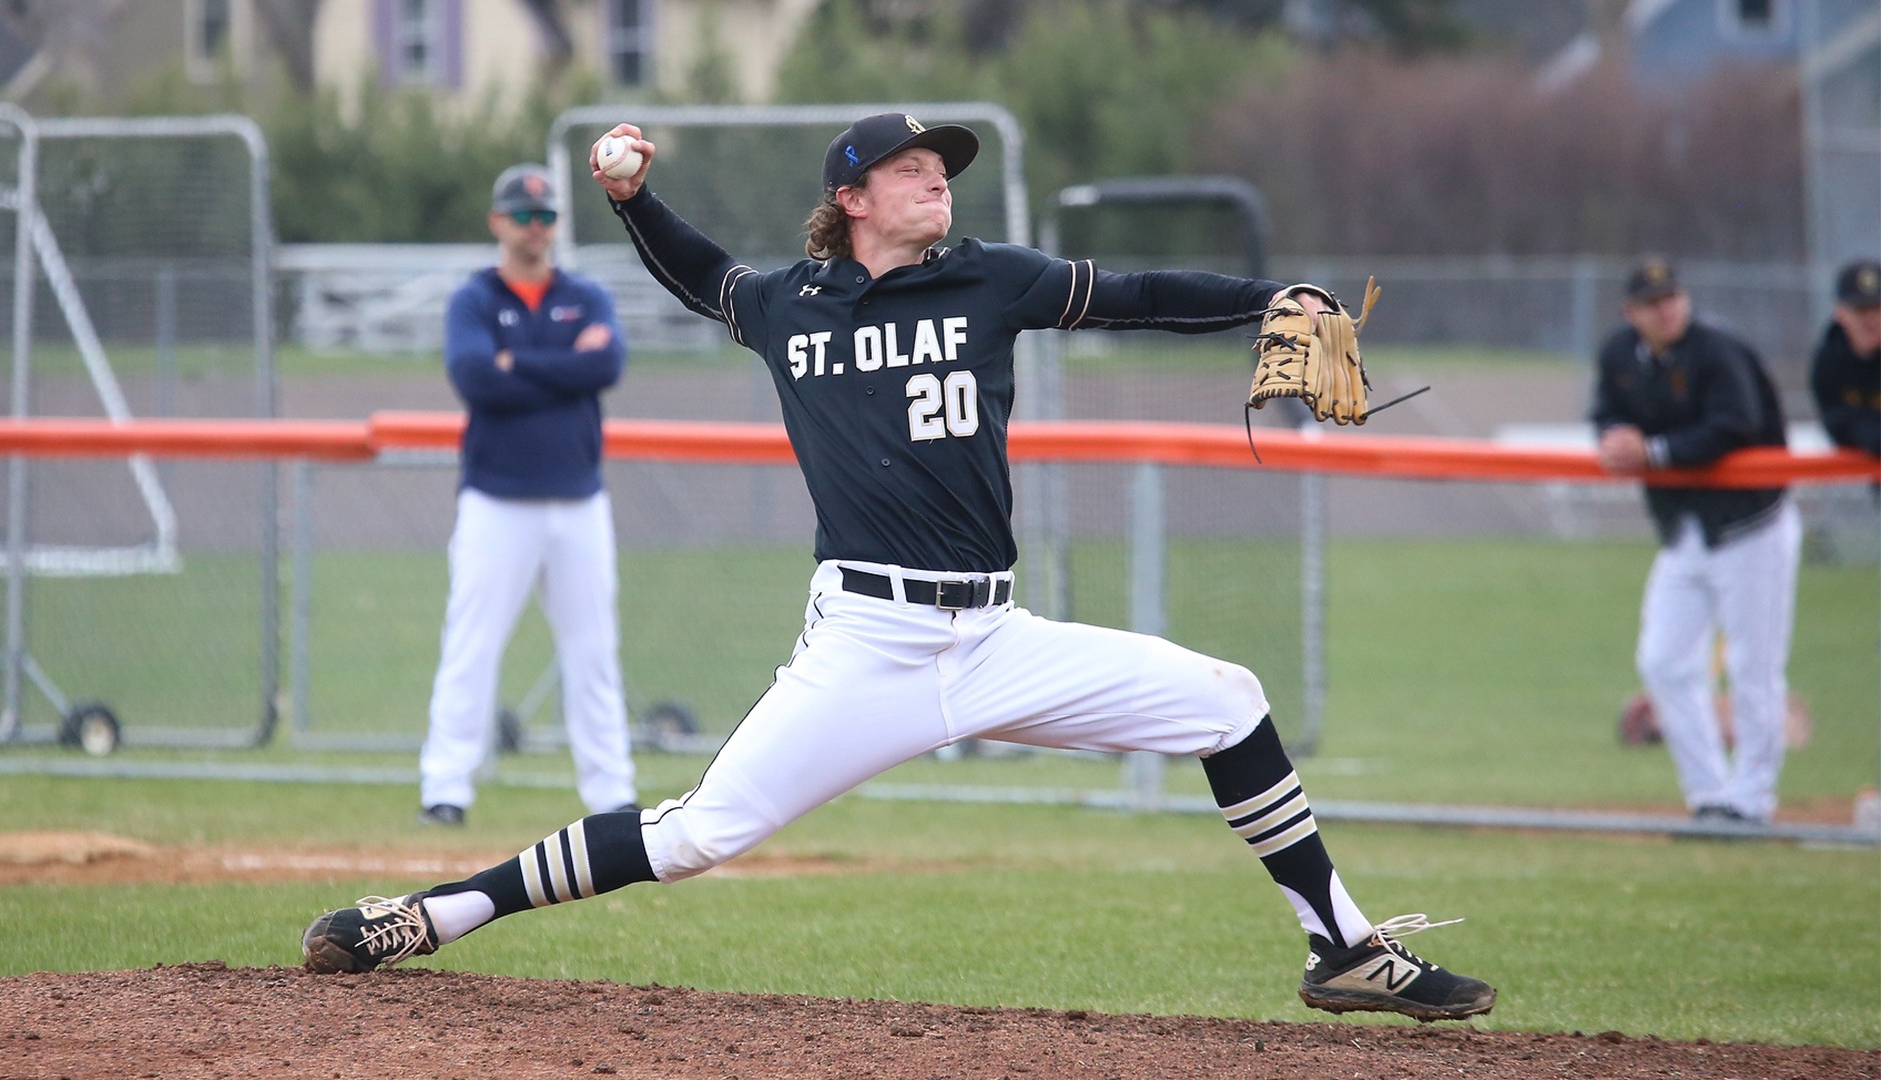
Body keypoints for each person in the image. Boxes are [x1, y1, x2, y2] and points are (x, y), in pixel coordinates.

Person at [303, 114, 1495, 1023]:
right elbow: (705, 275)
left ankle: (1342, 948)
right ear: (853, 197)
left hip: (996, 639)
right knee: (693, 837)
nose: (938, 181)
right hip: (866, 644)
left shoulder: (993, 278)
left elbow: (1134, 296)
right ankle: (436, 913)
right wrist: (633, 199)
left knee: (1228, 701)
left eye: (943, 169)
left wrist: (1267, 298)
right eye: (913, 168)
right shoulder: (790, 306)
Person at [415, 163, 638, 826]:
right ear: (498, 222)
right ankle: (446, 790)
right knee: (471, 647)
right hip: (497, 500)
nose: (534, 227)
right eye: (522, 216)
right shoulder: (476, 299)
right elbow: (475, 377)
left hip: (578, 499)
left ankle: (612, 796)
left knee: (593, 652)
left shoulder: (585, 295)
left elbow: (607, 364)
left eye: (545, 216)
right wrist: (566, 367)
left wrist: (520, 363)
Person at [1591, 257, 1801, 826]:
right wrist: (1613, 437)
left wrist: (1653, 451)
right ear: (1630, 312)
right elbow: (1607, 411)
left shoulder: (1717, 350)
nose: (1667, 310)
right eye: (1652, 303)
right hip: (1685, 531)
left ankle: (1751, 800)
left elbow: (1735, 425)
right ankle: (1709, 795)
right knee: (1662, 661)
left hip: (1751, 528)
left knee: (1754, 668)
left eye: (1673, 298)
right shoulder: (1621, 354)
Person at [1809, 257, 1881, 458]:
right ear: (1840, 313)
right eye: (1861, 310)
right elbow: (1836, 420)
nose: (1871, 319)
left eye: (1877, 308)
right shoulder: (1830, 362)